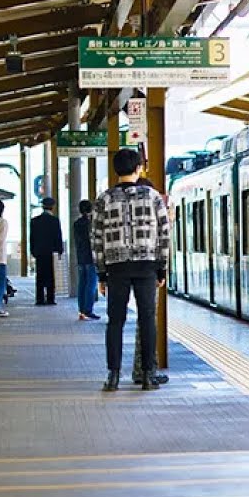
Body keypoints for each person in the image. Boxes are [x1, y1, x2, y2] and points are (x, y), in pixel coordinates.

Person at [93, 149, 170, 391]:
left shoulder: (104, 199)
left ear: (116, 171)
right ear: (138, 168)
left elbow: (96, 238)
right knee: (147, 320)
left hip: (117, 267)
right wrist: (162, 269)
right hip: (147, 265)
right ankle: (148, 375)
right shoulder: (153, 196)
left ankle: (113, 376)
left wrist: (101, 274)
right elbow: (164, 235)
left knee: (115, 321)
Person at [131, 178, 169, 385]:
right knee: (147, 322)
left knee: (141, 322)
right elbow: (163, 241)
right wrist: (161, 271)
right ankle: (146, 370)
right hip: (148, 271)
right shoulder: (153, 208)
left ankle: (139, 370)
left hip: (127, 269)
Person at [30, 196, 63, 306]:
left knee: (39, 275)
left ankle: (39, 299)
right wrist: (59, 250)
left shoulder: (34, 221)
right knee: (50, 275)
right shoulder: (54, 220)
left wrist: (33, 250)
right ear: (53, 207)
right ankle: (50, 298)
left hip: (39, 251)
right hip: (50, 252)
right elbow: (58, 236)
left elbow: (32, 237)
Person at [74, 200, 100, 322]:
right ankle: (88, 310)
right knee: (91, 284)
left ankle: (81, 310)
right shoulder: (92, 224)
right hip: (91, 257)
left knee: (82, 284)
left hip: (81, 257)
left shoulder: (77, 223)